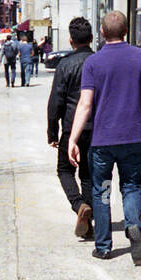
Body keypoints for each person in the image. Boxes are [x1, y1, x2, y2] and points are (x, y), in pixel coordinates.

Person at [67, 10, 141, 264]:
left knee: (101, 191)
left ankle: (104, 246)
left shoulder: (94, 62)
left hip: (102, 140)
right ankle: (134, 228)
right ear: (127, 31)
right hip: (133, 137)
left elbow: (85, 104)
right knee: (131, 186)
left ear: (103, 33)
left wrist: (72, 139)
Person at [47, 16, 96, 241]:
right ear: (92, 38)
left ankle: (79, 206)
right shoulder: (98, 61)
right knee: (88, 174)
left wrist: (52, 131)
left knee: (65, 170)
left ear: (70, 40)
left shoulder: (65, 64)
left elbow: (56, 100)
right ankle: (89, 220)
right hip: (95, 127)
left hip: (71, 127)